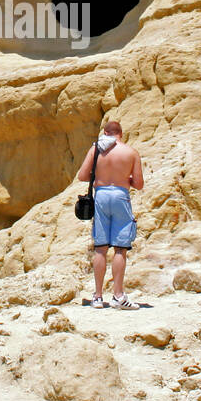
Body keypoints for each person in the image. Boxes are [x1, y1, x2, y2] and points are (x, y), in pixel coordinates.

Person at [76, 120, 144, 309]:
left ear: (105, 132)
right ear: (121, 134)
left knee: (100, 248)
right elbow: (139, 184)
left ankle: (97, 296)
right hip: (121, 197)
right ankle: (118, 296)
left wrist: (100, 177)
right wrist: (124, 179)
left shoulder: (96, 149)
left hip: (101, 196)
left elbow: (82, 176)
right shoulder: (131, 152)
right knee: (120, 248)